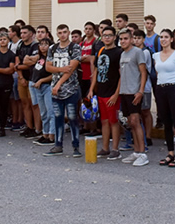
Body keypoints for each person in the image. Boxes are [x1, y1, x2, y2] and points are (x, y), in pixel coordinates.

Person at [44, 25, 82, 157]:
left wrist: (59, 83)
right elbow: (48, 67)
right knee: (58, 117)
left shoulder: (75, 47)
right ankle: (58, 145)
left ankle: (76, 146)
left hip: (70, 88)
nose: (62, 35)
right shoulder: (52, 48)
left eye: (65, 32)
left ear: (69, 33)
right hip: (56, 90)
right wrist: (60, 70)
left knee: (72, 117)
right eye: (60, 33)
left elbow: (71, 68)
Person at [153, 29, 175, 167]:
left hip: (174, 88)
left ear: (172, 39)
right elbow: (158, 72)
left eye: (166, 37)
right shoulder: (155, 56)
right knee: (166, 122)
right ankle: (170, 152)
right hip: (161, 89)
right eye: (161, 37)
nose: (163, 39)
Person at [118, 29, 150, 167]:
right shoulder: (122, 54)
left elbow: (143, 73)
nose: (123, 41)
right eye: (121, 39)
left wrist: (140, 91)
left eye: (125, 38)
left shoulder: (138, 52)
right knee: (130, 122)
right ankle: (136, 151)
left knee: (136, 121)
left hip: (134, 92)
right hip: (124, 92)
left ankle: (143, 153)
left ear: (131, 39)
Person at [90, 27, 123, 159]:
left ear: (115, 37)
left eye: (110, 35)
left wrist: (116, 94)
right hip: (101, 92)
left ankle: (115, 149)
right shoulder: (101, 51)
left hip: (112, 92)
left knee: (113, 121)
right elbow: (96, 71)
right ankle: (105, 148)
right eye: (104, 35)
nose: (107, 38)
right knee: (104, 121)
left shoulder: (119, 52)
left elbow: (122, 75)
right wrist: (92, 89)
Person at [28, 39, 54, 145]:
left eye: (46, 44)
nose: (43, 47)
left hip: (47, 86)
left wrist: (42, 80)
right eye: (41, 44)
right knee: (43, 112)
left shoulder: (52, 58)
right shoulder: (40, 58)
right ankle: (45, 133)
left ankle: (52, 135)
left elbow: (54, 74)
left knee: (50, 112)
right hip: (37, 87)